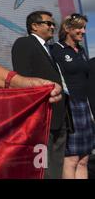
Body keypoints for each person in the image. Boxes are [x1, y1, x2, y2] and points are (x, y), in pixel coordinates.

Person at [11, 11, 72, 179]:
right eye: (48, 23)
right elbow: (23, 78)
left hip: (60, 115)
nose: (52, 27)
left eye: (53, 24)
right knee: (42, 168)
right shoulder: (24, 43)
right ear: (35, 26)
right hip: (41, 115)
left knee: (57, 165)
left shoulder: (50, 49)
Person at [51, 13, 95, 179]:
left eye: (84, 27)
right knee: (72, 159)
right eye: (79, 27)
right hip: (69, 107)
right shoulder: (56, 49)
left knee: (84, 159)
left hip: (85, 107)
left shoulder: (82, 51)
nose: (83, 31)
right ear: (67, 29)